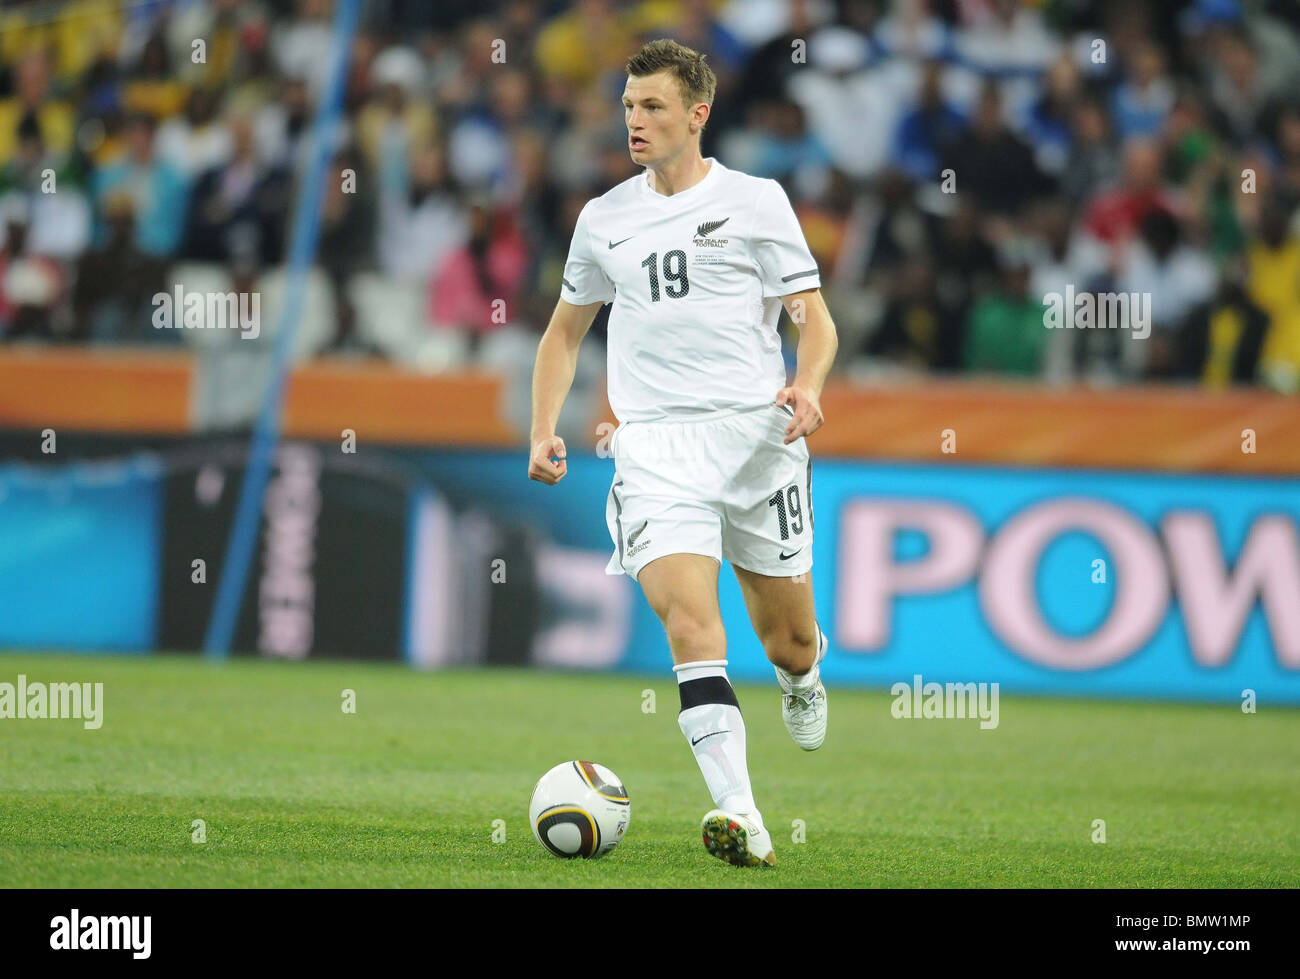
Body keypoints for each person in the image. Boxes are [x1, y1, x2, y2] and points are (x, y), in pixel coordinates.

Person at [528, 39, 838, 868]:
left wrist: (807, 385)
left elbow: (815, 318)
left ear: (698, 114)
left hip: (756, 440)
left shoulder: (757, 201)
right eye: (629, 105)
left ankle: (804, 682)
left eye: (654, 106)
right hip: (656, 447)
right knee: (693, 624)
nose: (635, 120)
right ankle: (741, 812)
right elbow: (563, 335)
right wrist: (544, 425)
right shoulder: (603, 219)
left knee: (788, 642)